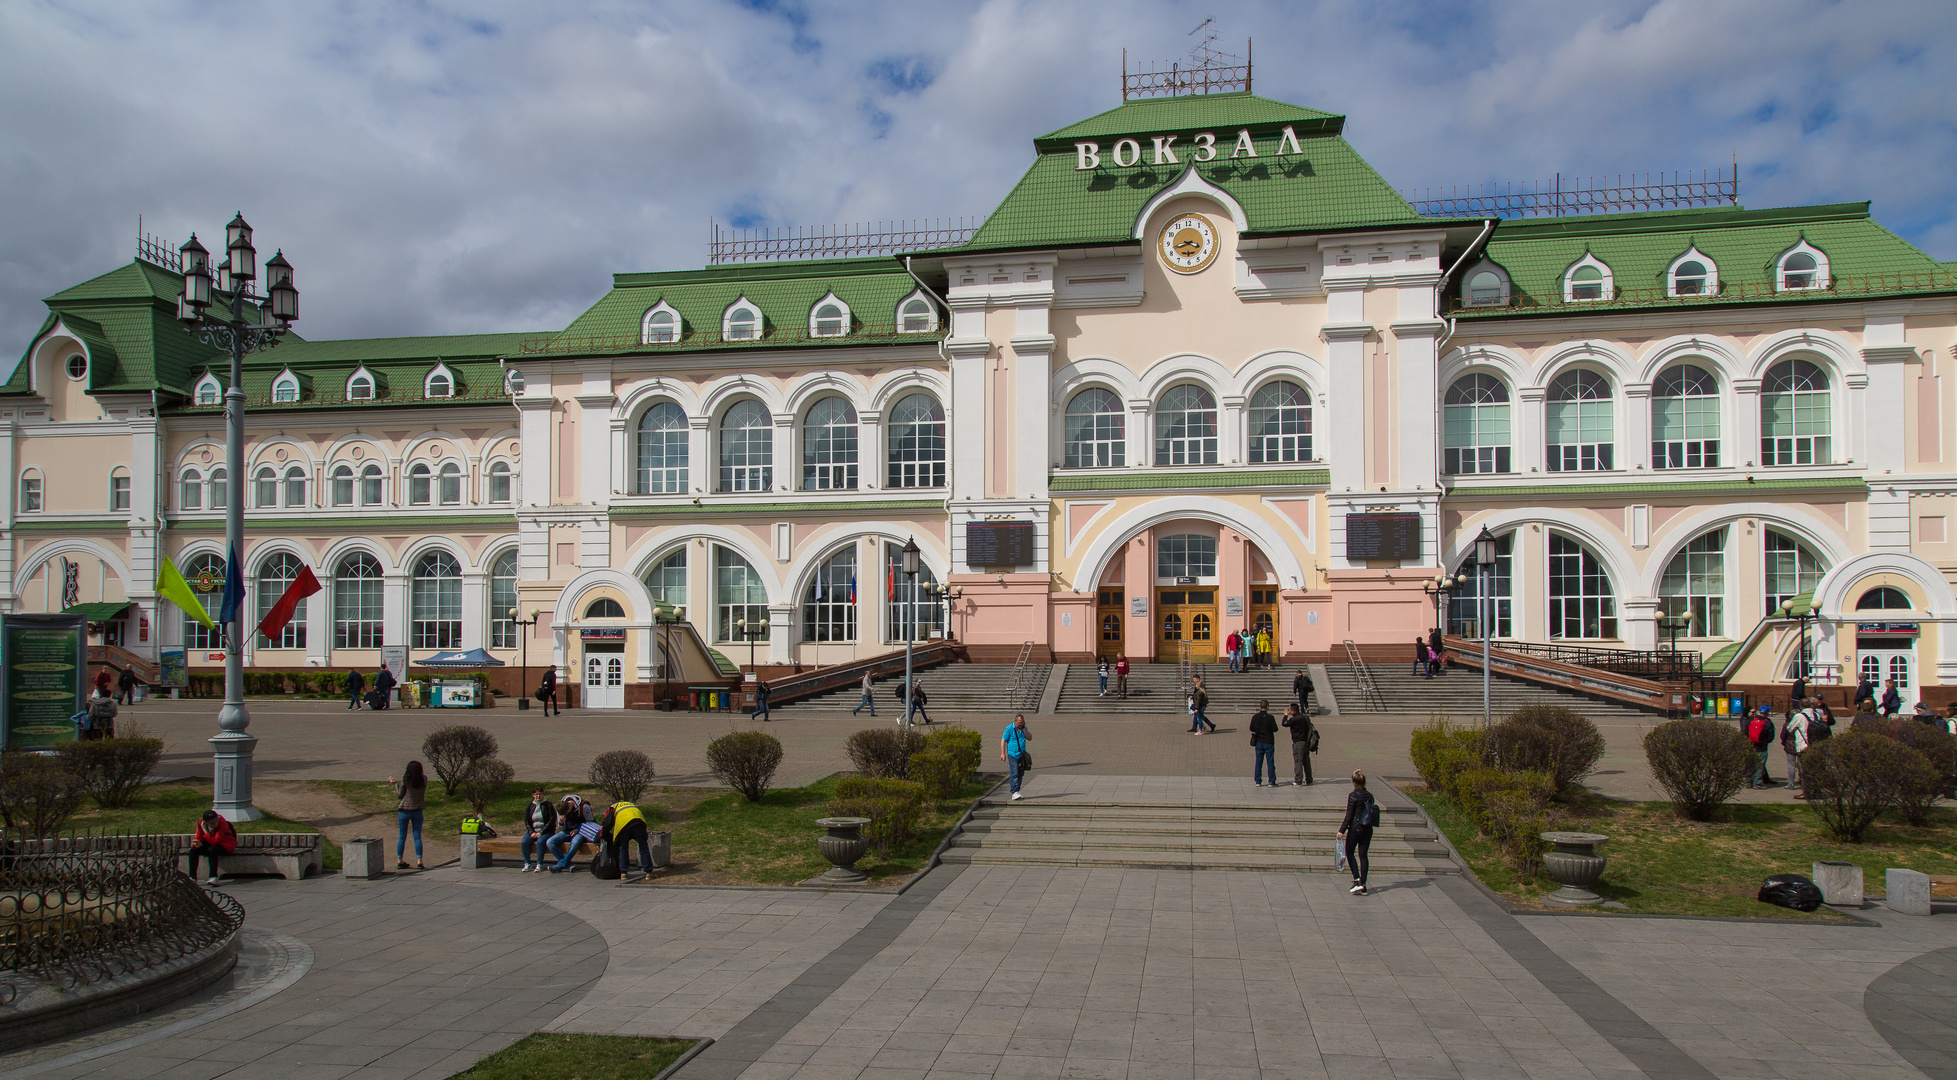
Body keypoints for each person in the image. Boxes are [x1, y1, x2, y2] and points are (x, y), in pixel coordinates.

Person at [1337, 770, 1378, 895]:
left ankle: (1356, 879)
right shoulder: (1370, 796)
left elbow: (1349, 815)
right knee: (1363, 855)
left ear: (1354, 783)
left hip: (1355, 827)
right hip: (1367, 828)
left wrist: (1341, 831)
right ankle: (1363, 884)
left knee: (1349, 852)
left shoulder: (1353, 796)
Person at [602, 800, 654, 877]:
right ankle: (648, 872)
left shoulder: (613, 807)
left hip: (624, 826)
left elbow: (607, 823)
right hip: (639, 823)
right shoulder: (630, 804)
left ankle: (623, 873)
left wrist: (602, 835)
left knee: (623, 848)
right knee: (643, 847)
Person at [390, 760, 427, 869]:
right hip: (418, 809)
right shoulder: (424, 780)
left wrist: (395, 785)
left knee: (402, 836)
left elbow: (400, 795)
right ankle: (419, 861)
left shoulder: (405, 780)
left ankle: (399, 860)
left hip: (405, 810)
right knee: (417, 836)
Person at [189, 809, 236, 886]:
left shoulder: (222, 822)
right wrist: (196, 843)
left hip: (226, 844)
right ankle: (192, 877)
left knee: (212, 850)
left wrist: (205, 830)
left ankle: (213, 876)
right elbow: (198, 837)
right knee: (193, 851)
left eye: (216, 820)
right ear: (206, 822)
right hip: (211, 843)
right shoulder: (200, 823)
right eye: (212, 822)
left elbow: (215, 842)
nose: (215, 823)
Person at [547, 795, 593, 872]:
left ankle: (560, 865)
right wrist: (561, 823)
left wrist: (578, 829)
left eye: (566, 813)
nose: (566, 815)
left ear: (569, 806)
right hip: (567, 831)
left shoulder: (583, 806)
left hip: (581, 831)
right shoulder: (561, 809)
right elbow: (562, 829)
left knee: (575, 842)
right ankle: (568, 864)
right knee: (550, 842)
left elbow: (590, 823)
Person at [519, 787, 558, 872]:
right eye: (536, 794)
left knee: (540, 842)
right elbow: (527, 820)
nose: (538, 796)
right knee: (524, 842)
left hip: (546, 831)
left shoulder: (548, 805)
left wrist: (541, 832)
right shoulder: (530, 806)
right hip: (534, 831)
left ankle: (539, 864)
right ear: (533, 795)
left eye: (540, 794)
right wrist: (531, 832)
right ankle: (527, 863)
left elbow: (552, 819)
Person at [1781, 702, 1813, 793]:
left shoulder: (1787, 724)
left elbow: (1783, 735)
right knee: (1802, 765)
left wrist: (1783, 743)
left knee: (1791, 765)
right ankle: (1803, 782)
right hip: (1802, 745)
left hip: (1790, 747)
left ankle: (1791, 783)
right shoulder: (1805, 721)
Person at [1282, 703, 1315, 785]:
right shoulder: (1304, 717)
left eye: (1289, 710)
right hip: (1305, 742)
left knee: (1298, 761)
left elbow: (1284, 723)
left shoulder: (1294, 719)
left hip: (1298, 743)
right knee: (1306, 762)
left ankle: (1298, 780)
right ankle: (1309, 779)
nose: (1289, 711)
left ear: (1293, 711)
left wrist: (1285, 715)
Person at [1001, 714, 1031, 801]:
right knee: (1014, 773)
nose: (1021, 724)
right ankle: (1014, 791)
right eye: (1019, 723)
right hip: (1012, 754)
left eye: (1022, 722)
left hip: (1022, 755)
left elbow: (1030, 738)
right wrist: (1003, 753)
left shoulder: (1023, 729)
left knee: (1021, 773)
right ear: (1015, 722)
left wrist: (1025, 731)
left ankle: (1017, 790)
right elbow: (1003, 741)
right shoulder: (1009, 729)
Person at [1744, 706, 1776, 788]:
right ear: (1767, 713)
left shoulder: (1751, 720)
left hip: (1751, 745)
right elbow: (1770, 737)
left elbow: (1745, 732)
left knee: (1750, 764)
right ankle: (1757, 783)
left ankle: (1748, 781)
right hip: (1762, 747)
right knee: (1760, 765)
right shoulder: (1768, 723)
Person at [1249, 699, 1278, 787]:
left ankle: (1258, 780)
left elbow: (1251, 728)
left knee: (1258, 761)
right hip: (1268, 741)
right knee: (1270, 761)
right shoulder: (1270, 717)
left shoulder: (1255, 717)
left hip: (1259, 741)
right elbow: (1275, 729)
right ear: (1267, 707)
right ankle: (1271, 781)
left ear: (1260, 706)